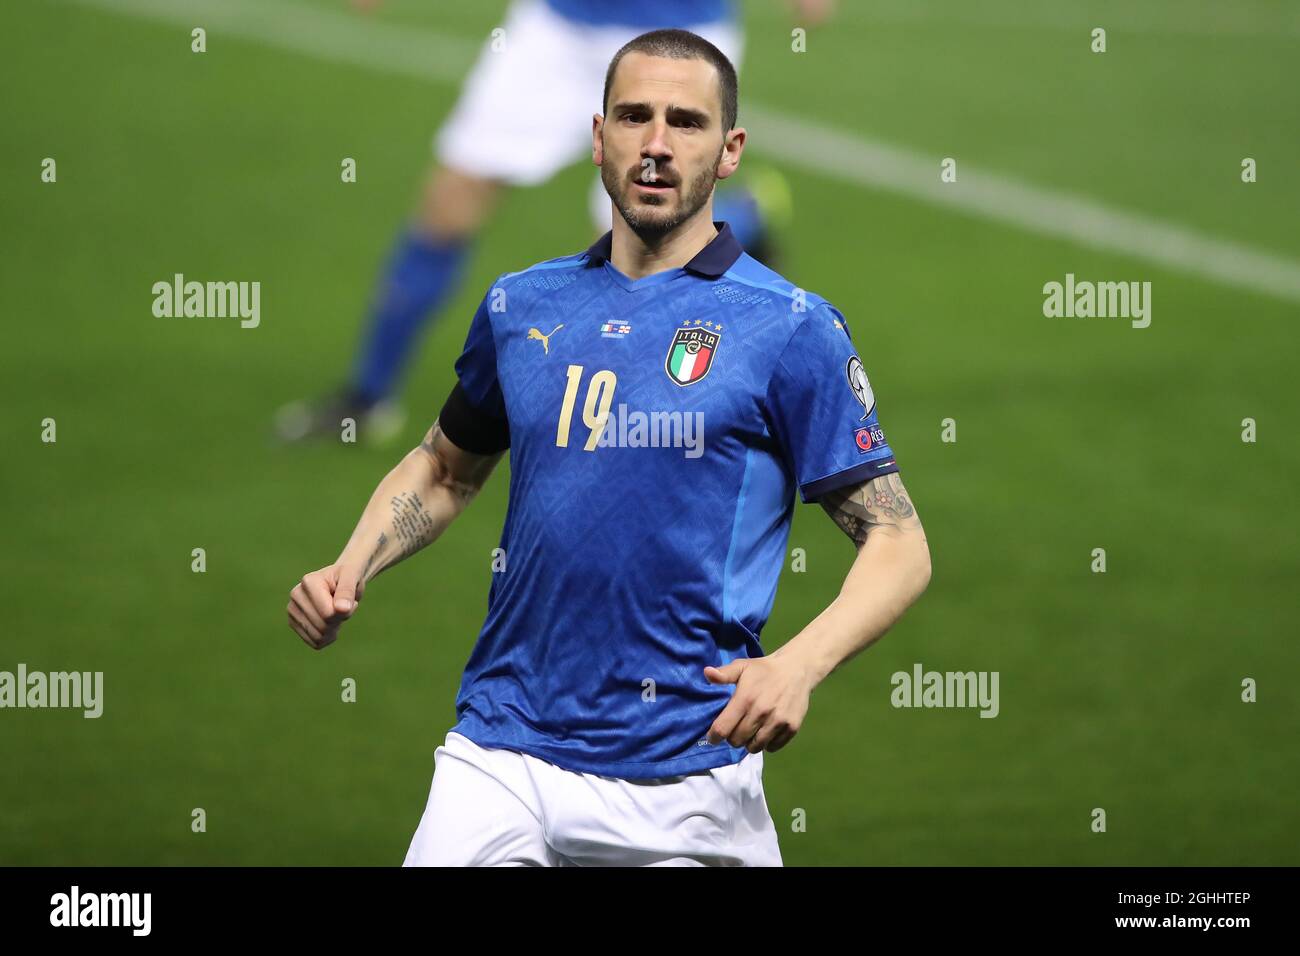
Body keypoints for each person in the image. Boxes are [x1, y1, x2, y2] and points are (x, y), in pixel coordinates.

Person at [286, 28, 929, 866]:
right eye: (633, 117)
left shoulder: (790, 328)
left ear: (730, 151)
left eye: (686, 123)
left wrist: (799, 666)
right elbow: (446, 466)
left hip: (684, 784)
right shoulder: (524, 305)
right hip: (501, 751)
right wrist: (352, 566)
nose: (656, 145)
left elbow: (899, 540)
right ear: (598, 137)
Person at [273, 0, 830, 445]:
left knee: (637, 228)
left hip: (676, 35)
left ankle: (742, 218)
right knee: (450, 200)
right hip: (555, 26)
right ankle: (368, 398)